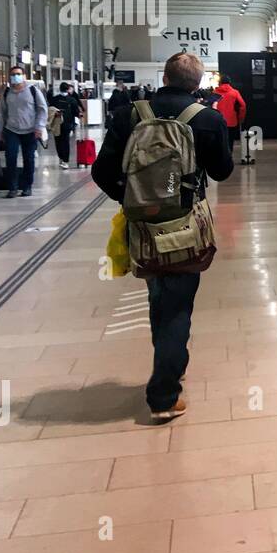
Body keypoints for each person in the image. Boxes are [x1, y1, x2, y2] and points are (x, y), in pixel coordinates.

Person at [91, 53, 234, 421]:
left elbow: (102, 170)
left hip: (142, 227)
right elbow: (222, 172)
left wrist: (135, 201)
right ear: (197, 83)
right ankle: (164, 394)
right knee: (177, 306)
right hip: (186, 225)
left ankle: (170, 366)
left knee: (160, 298)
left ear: (165, 76)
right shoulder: (207, 119)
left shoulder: (130, 116)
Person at [0, 67, 48, 198]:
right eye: (13, 74)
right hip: (11, 130)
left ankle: (27, 186)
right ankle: (12, 187)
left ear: (24, 76)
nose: (16, 76)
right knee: (10, 157)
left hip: (30, 130)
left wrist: (39, 127)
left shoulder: (33, 91)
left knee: (29, 159)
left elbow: (42, 109)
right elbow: (3, 112)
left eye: (18, 74)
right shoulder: (7, 92)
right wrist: (1, 131)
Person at [48, 81, 84, 169]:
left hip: (56, 124)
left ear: (59, 89)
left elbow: (50, 110)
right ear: (68, 89)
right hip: (68, 124)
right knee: (65, 142)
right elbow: (76, 112)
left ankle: (61, 158)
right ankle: (65, 160)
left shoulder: (55, 99)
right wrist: (79, 115)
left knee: (58, 141)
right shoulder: (72, 100)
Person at [213, 77, 249, 160]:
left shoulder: (214, 92)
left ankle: (220, 158)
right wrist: (241, 118)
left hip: (217, 121)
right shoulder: (234, 92)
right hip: (231, 121)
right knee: (230, 140)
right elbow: (243, 106)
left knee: (219, 140)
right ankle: (229, 157)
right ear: (230, 82)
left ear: (220, 82)